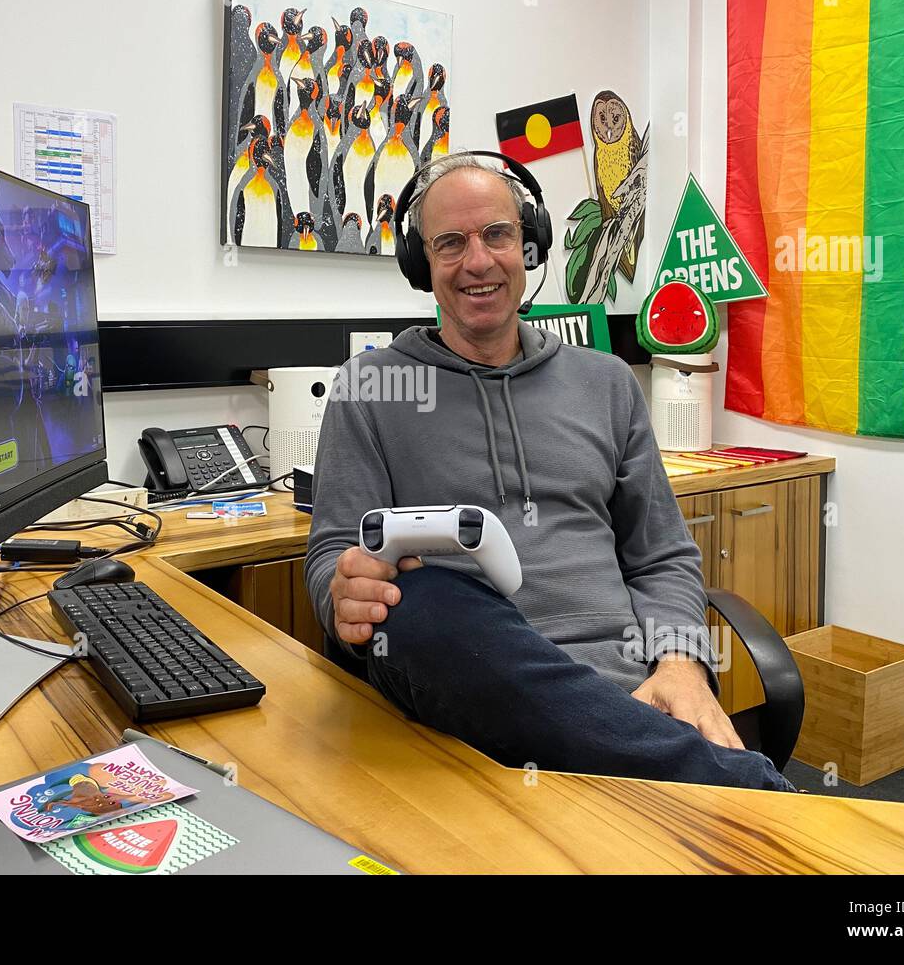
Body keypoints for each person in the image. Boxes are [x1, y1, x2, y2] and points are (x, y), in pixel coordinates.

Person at [305, 151, 795, 792]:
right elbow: (330, 560)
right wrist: (344, 591)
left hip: (633, 687)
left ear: (529, 244)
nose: (478, 261)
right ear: (421, 264)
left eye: (498, 235)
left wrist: (679, 664)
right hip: (470, 698)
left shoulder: (608, 383)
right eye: (450, 243)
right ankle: (725, 784)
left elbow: (663, 558)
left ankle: (645, 757)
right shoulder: (369, 389)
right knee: (416, 602)